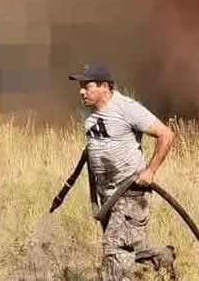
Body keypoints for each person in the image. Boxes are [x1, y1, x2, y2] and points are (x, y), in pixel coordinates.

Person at [69, 62, 177, 281]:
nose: (81, 91)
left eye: (86, 86)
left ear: (104, 87)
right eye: (80, 86)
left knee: (115, 250)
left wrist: (150, 171)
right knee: (130, 249)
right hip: (107, 196)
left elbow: (166, 134)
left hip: (131, 194)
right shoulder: (88, 114)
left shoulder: (126, 108)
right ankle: (162, 259)